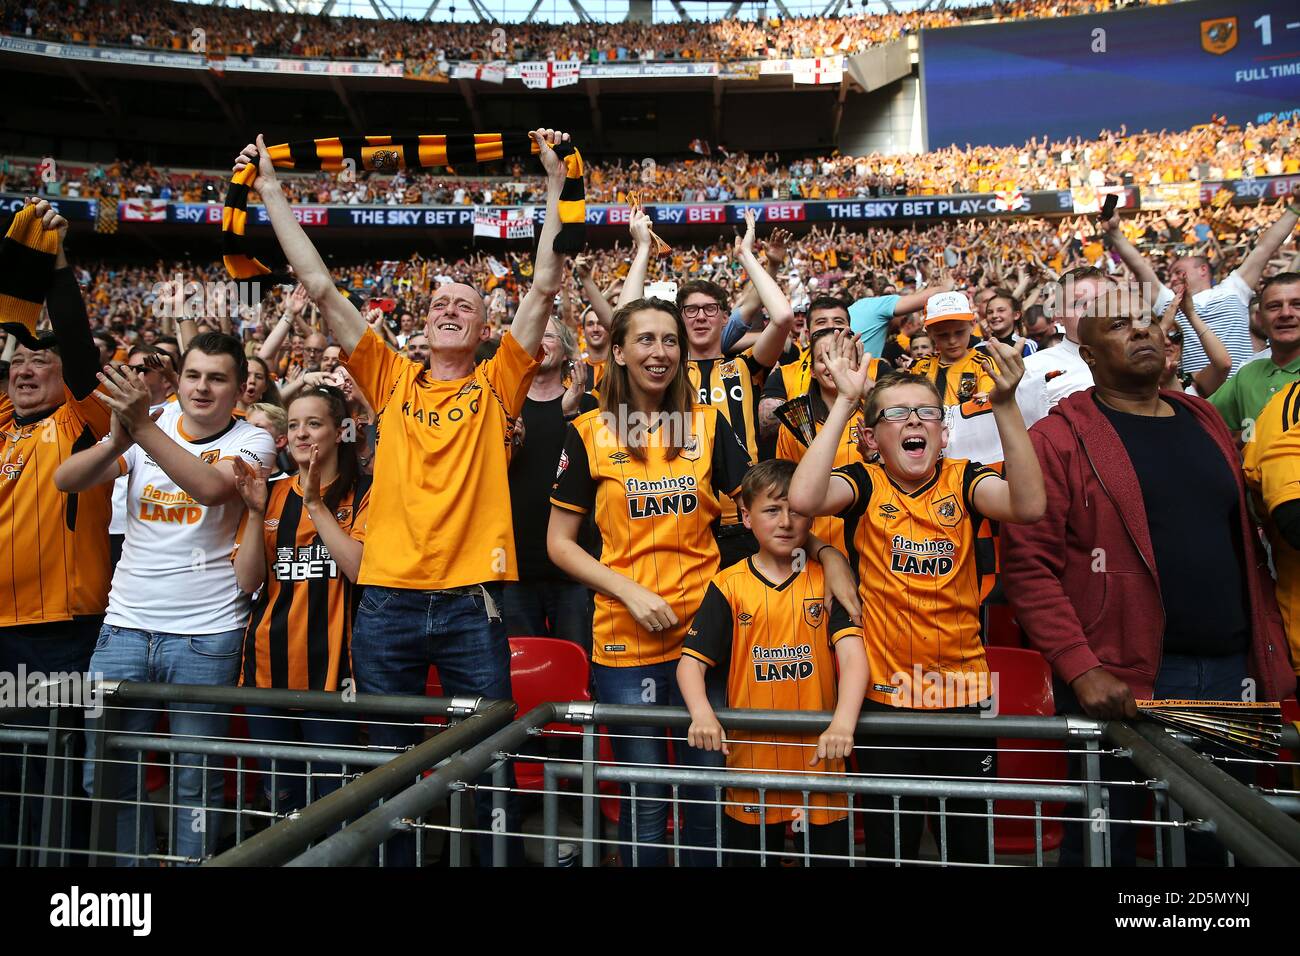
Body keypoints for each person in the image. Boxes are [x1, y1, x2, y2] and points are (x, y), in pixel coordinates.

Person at [234, 128, 570, 866]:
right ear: (423, 324)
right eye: (440, 301)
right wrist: (267, 192)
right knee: (384, 770)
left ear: (485, 330)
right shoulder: (388, 377)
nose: (450, 308)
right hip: (384, 599)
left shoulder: (498, 380)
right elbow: (319, 285)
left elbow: (545, 284)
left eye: (466, 304)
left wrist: (554, 184)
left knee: (482, 762)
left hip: (470, 602)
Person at [548, 298, 860, 867]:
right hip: (624, 640)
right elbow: (559, 545)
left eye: (669, 340)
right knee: (644, 796)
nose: (660, 352)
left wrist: (824, 552)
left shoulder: (707, 425)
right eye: (644, 340)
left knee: (706, 791)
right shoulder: (587, 431)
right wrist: (627, 590)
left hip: (708, 640)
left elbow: (765, 505)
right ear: (617, 352)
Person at [1000, 287, 1293, 866]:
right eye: (1118, 327)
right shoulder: (1057, 439)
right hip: (1124, 676)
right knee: (1108, 839)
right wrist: (1081, 668)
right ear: (1085, 354)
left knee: (1219, 837)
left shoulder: (1204, 417)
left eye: (1146, 323)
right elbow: (1028, 567)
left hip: (1232, 668)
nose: (1140, 332)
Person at [788, 335, 1046, 864]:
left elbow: (1029, 505)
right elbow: (803, 500)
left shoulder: (965, 480)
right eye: (896, 414)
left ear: (943, 430)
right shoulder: (864, 482)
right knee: (894, 848)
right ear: (872, 437)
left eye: (925, 412)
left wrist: (1005, 406)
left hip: (963, 697)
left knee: (968, 848)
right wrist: (842, 400)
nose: (913, 422)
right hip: (887, 701)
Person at [57, 333, 277, 864]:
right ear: (179, 379)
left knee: (194, 782)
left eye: (217, 378)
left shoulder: (253, 441)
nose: (203, 388)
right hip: (124, 628)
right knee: (106, 775)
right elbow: (67, 479)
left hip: (207, 636)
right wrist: (116, 441)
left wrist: (142, 427)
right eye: (194, 375)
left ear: (238, 387)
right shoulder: (148, 426)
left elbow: (209, 487)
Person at [678, 459, 868, 867]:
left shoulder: (826, 581)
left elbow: (854, 660)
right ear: (745, 516)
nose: (785, 522)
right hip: (751, 766)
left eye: (796, 510)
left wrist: (843, 723)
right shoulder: (728, 584)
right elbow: (689, 665)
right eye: (771, 510)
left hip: (822, 765)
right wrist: (702, 715)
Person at [0, 199, 112, 865]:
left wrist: (58, 267)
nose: (22, 372)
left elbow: (74, 344)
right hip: (1, 630)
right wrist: (16, 271)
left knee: (53, 775)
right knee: (8, 776)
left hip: (60, 637)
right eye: (17, 368)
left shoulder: (78, 420)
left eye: (37, 368)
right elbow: (3, 338)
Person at [621, 208, 794, 567]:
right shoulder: (665, 371)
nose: (701, 317)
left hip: (749, 518)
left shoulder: (744, 367)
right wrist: (642, 250)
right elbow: (626, 325)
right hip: (687, 519)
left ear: (725, 317)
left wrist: (746, 256)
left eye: (710, 309)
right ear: (679, 319)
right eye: (691, 310)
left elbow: (782, 318)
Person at [232, 385, 369, 814]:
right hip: (268, 671)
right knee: (281, 804)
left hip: (335, 676)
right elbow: (247, 580)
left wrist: (314, 504)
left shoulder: (365, 491)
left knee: (332, 804)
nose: (301, 434)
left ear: (340, 431)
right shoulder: (268, 492)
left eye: (314, 423)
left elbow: (358, 569)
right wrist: (255, 514)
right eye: (293, 425)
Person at [1103, 192, 1300, 374]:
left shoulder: (1233, 289)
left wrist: (1296, 206)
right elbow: (1139, 266)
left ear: (1203, 270)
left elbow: (1265, 248)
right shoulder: (1169, 302)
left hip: (1241, 388)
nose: (1173, 278)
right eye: (1171, 274)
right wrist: (1115, 233)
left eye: (1179, 271)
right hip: (1197, 395)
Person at [944, 266, 1115, 463]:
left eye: (1101, 301)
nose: (1092, 309)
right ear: (1058, 313)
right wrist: (1002, 398)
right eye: (1079, 303)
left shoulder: (1141, 357)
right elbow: (978, 438)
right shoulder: (1033, 369)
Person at [504, 318, 593, 651]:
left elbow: (597, 471)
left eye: (550, 335)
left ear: (568, 349)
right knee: (523, 673)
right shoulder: (505, 409)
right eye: (534, 334)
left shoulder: (587, 406)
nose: (540, 341)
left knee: (578, 667)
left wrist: (571, 418)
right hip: (515, 568)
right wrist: (508, 445)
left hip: (574, 567)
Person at [1208, 273, 1300, 432]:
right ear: (1259, 319)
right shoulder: (1247, 374)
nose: (1286, 313)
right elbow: (1201, 418)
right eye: (1274, 306)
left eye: (1297, 305)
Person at [908, 291, 996, 407]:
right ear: (929, 333)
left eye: (959, 332)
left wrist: (987, 398)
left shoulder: (983, 365)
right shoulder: (920, 366)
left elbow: (990, 398)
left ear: (972, 325)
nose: (952, 341)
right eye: (943, 335)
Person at [1157, 288, 1230, 398]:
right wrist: (1163, 326)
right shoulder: (1134, 383)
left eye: (1174, 336)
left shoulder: (1194, 383)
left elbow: (1224, 364)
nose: (1167, 342)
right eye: (1162, 337)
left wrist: (1191, 314)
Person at [976, 290, 1037, 358]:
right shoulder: (979, 348)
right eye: (990, 312)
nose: (994, 315)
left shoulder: (1027, 345)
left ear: (1016, 315)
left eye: (1001, 310)